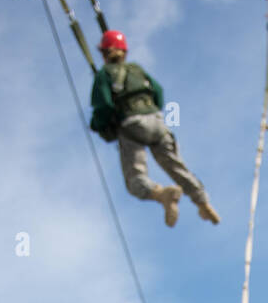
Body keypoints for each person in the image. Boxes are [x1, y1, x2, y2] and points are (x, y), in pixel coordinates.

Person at [89, 30, 220, 228]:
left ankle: (162, 195)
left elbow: (103, 107)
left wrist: (100, 126)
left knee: (135, 178)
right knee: (176, 166)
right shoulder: (137, 69)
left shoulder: (104, 75)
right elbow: (158, 93)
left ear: (104, 53)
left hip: (131, 125)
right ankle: (203, 202)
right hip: (157, 122)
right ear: (125, 51)